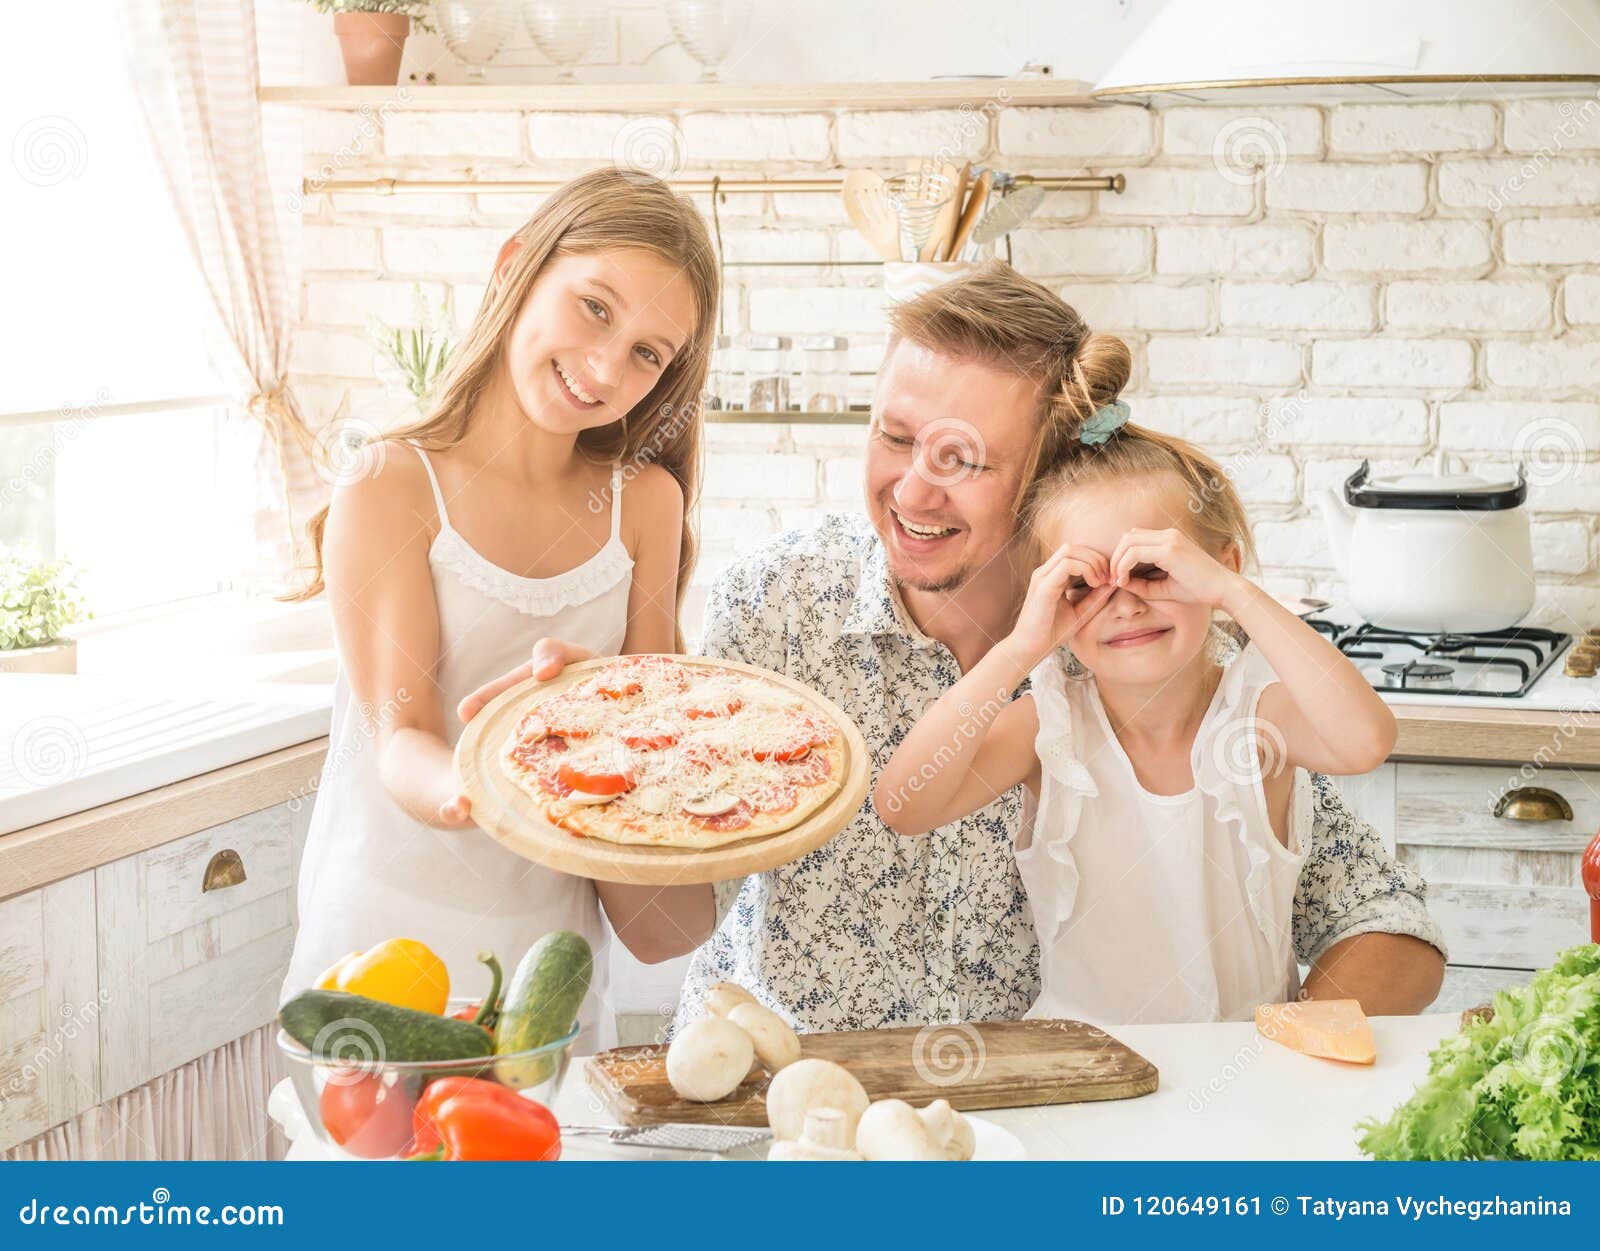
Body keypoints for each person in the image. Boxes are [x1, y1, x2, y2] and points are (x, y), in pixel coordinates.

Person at [462, 259, 1447, 1034]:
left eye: (964, 460)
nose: (912, 491)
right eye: (894, 438)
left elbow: (1385, 921)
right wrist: (609, 752)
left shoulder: (1134, 638)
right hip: (784, 1106)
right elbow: (664, 931)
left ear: (1051, 475)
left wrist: (1246, 1075)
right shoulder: (778, 602)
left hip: (1039, 1131)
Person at [281, 169, 719, 1048]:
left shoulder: (646, 505)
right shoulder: (392, 483)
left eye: (648, 353)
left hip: (547, 972)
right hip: (383, 953)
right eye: (595, 308)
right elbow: (401, 738)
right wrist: (497, 778)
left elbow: (654, 878)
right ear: (516, 264)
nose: (607, 368)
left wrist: (635, 755)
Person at [874, 384, 1403, 1024]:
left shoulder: (1256, 720)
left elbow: (1366, 741)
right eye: (1085, 582)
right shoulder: (1051, 727)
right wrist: (1022, 645)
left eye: (1154, 571)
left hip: (1245, 1066)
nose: (1125, 605)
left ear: (1218, 569)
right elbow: (904, 805)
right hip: (1083, 1068)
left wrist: (1234, 593)